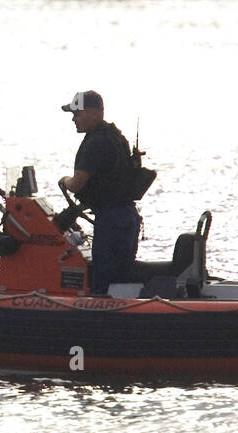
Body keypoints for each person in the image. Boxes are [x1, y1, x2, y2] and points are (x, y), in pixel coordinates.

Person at [55, 90, 141, 296]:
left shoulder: (96, 143)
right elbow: (108, 183)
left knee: (103, 283)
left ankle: (99, 316)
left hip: (111, 220)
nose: (74, 119)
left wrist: (64, 181)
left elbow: (76, 184)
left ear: (94, 113)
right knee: (119, 277)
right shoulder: (115, 137)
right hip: (127, 217)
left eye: (77, 114)